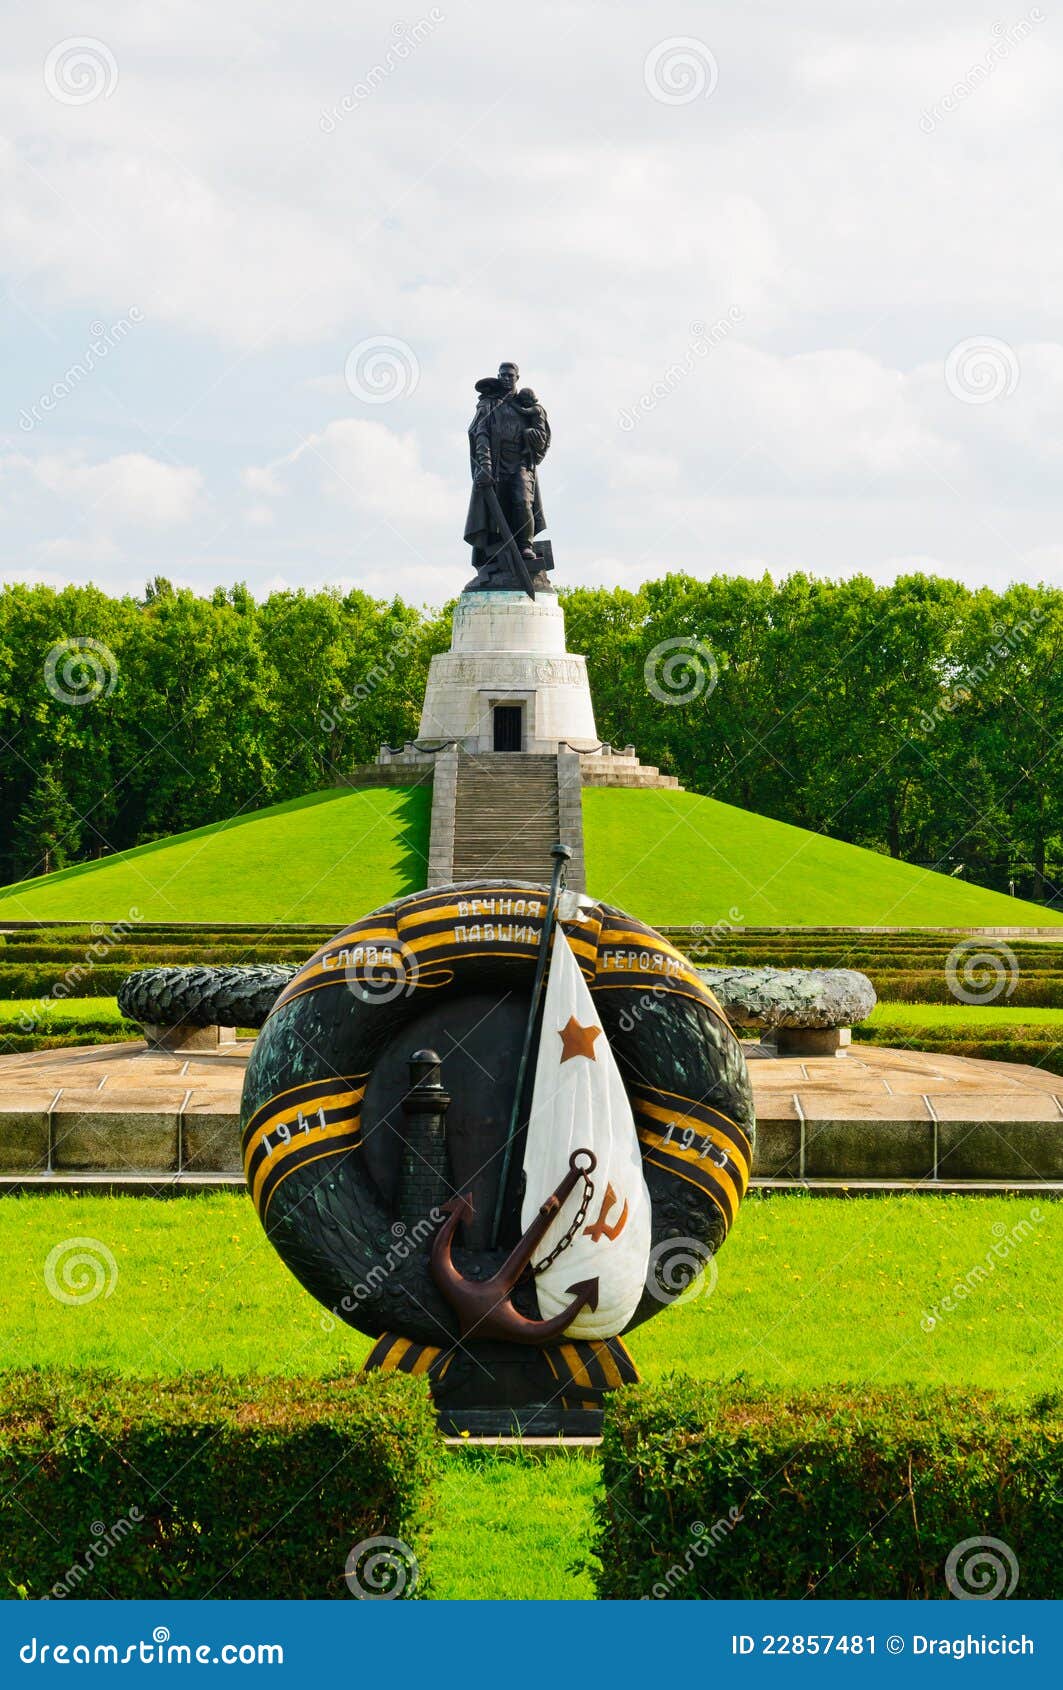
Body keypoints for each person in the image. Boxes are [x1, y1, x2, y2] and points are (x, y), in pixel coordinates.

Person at [464, 362, 551, 588]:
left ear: (517, 378)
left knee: (523, 501)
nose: (506, 379)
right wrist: (484, 465)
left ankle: (525, 546)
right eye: (502, 375)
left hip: (520, 464)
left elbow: (543, 437)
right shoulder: (489, 404)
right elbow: (480, 433)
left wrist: (534, 437)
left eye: (510, 375)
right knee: (495, 514)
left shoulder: (526, 405)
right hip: (495, 466)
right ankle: (495, 559)